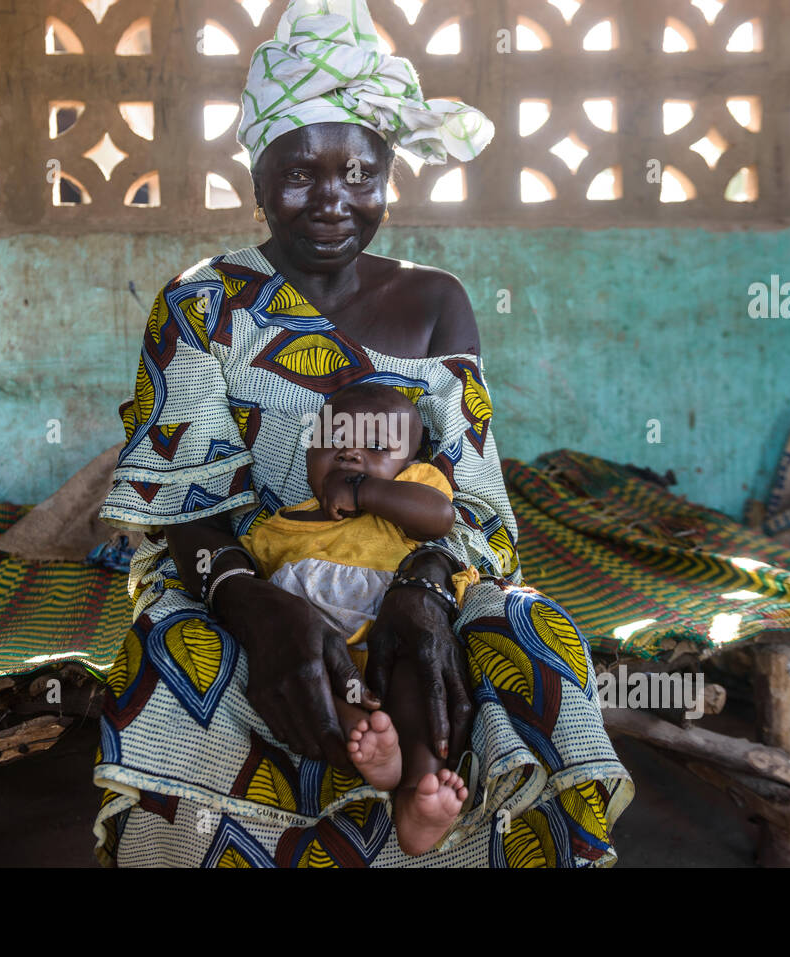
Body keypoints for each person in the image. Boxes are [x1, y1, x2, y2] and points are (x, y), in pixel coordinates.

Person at [93, 0, 633, 868]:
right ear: (257, 175)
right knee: (173, 659)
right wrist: (257, 609)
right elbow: (178, 503)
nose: (332, 200)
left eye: (359, 173)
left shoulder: (436, 303)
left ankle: (443, 815)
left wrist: (420, 594)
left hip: (416, 568)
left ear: (389, 175)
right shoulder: (201, 305)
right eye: (300, 172)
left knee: (535, 638)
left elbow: (477, 508)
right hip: (244, 575)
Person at [237, 382, 478, 855]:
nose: (350, 451)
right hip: (322, 643)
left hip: (396, 629)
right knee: (320, 684)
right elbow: (255, 591)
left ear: (406, 463)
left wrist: (365, 491)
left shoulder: (410, 494)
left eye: (374, 445)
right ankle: (373, 752)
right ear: (309, 453)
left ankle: (417, 798)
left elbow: (440, 517)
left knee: (418, 684)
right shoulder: (276, 528)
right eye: (335, 439)